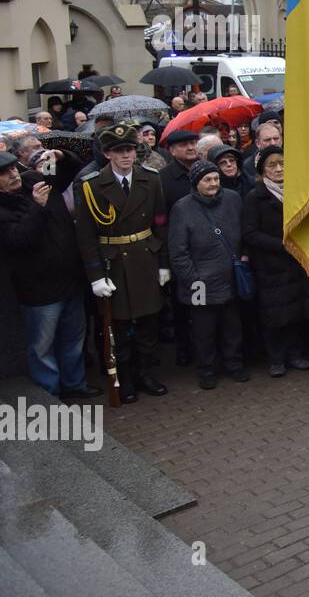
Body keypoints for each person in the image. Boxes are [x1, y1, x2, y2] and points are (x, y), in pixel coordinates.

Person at [72, 122, 170, 403]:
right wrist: (95, 276)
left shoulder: (151, 179)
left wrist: (163, 263)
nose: (127, 156)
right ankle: (125, 378)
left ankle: (145, 374)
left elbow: (160, 221)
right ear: (107, 154)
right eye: (120, 151)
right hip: (112, 263)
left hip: (145, 258)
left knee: (149, 322)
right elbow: (86, 235)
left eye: (130, 149)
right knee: (119, 328)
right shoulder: (91, 186)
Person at [0, 148, 100, 397]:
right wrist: (38, 207)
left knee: (73, 339)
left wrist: (63, 156)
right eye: (4, 173)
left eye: (13, 168)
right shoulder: (4, 209)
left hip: (70, 280)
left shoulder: (34, 180)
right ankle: (50, 394)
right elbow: (20, 239)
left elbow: (68, 173)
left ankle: (75, 384)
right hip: (38, 291)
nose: (13, 175)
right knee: (42, 347)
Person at [242, 146, 309, 377]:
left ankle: (295, 354)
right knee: (274, 316)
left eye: (282, 163)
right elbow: (250, 233)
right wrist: (282, 244)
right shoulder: (255, 197)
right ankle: (275, 359)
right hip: (271, 266)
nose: (278, 169)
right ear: (262, 170)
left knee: (296, 311)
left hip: (296, 263)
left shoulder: (297, 191)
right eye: (272, 165)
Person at [168, 161, 246, 389]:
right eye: (207, 180)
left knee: (233, 328)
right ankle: (206, 370)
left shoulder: (233, 199)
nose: (213, 184)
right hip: (199, 283)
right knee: (204, 332)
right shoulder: (182, 208)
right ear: (196, 183)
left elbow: (244, 231)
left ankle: (234, 365)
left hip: (230, 277)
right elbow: (178, 252)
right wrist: (193, 280)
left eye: (216, 179)